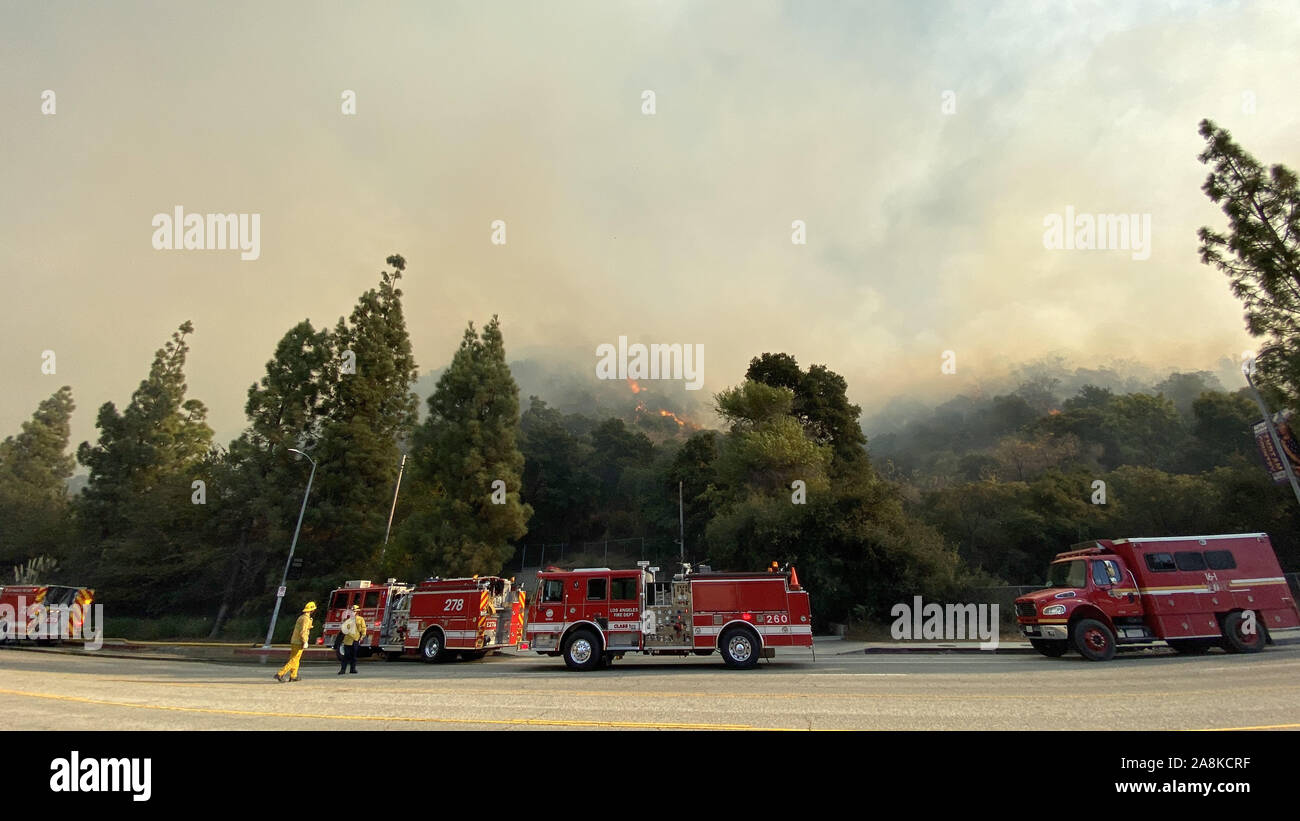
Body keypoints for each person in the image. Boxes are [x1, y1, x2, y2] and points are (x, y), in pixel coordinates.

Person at [274, 601, 315, 682]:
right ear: (312, 610)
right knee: (294, 660)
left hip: (295, 641)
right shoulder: (306, 619)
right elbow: (303, 631)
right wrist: (305, 641)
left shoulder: (301, 617)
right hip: (299, 642)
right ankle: (280, 674)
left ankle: (293, 676)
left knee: (296, 659)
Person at [338, 604, 366, 675]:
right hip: (348, 640)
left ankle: (352, 669)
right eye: (352, 611)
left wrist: (362, 636)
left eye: (354, 611)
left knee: (354, 655)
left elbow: (363, 628)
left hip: (356, 639)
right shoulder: (348, 620)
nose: (353, 612)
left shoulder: (361, 619)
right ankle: (343, 669)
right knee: (346, 655)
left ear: (357, 612)